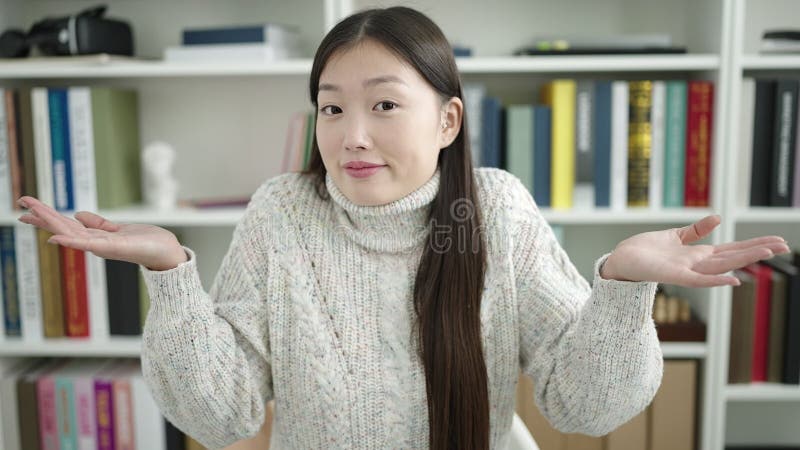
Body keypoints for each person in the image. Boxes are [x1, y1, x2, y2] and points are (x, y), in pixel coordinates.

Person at [17, 6, 789, 450]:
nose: (352, 135)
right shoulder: (282, 214)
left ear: (448, 120)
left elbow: (582, 409)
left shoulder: (494, 210)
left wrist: (621, 287)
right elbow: (224, 417)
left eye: (384, 104)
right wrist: (171, 278)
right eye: (331, 107)